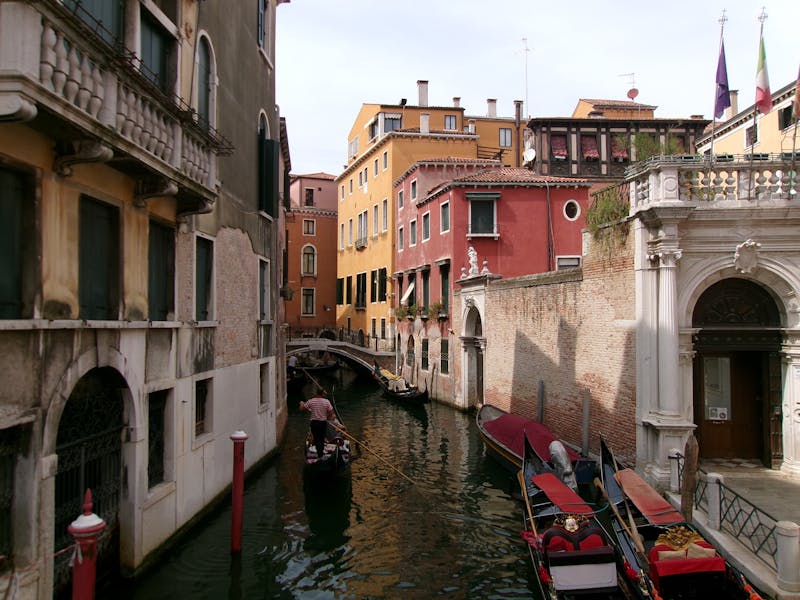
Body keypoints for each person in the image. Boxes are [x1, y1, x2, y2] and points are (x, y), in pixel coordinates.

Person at [299, 387, 335, 460]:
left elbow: (302, 409)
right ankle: (321, 455)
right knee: (321, 439)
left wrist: (301, 404)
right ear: (323, 394)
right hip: (322, 423)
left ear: (316, 393)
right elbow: (331, 412)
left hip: (314, 423)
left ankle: (320, 455)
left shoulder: (311, 401)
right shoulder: (326, 401)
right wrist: (326, 417)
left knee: (317, 438)